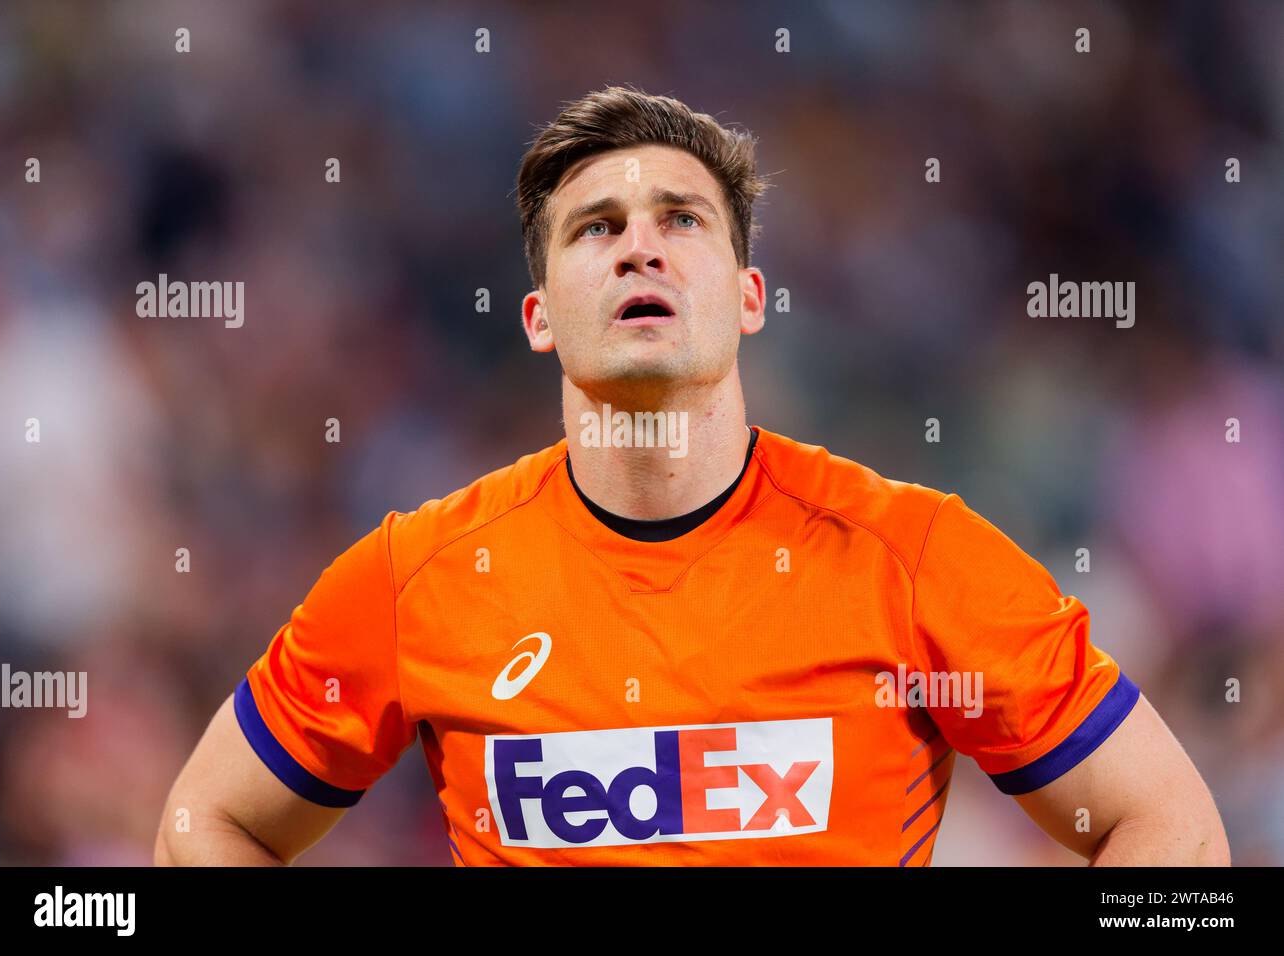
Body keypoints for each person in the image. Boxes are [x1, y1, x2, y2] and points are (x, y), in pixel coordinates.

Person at [155, 85, 1229, 866]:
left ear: (749, 295)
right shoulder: (417, 577)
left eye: (681, 219)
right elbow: (208, 823)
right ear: (538, 316)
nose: (640, 248)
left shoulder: (912, 557)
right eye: (596, 228)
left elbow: (1170, 826)